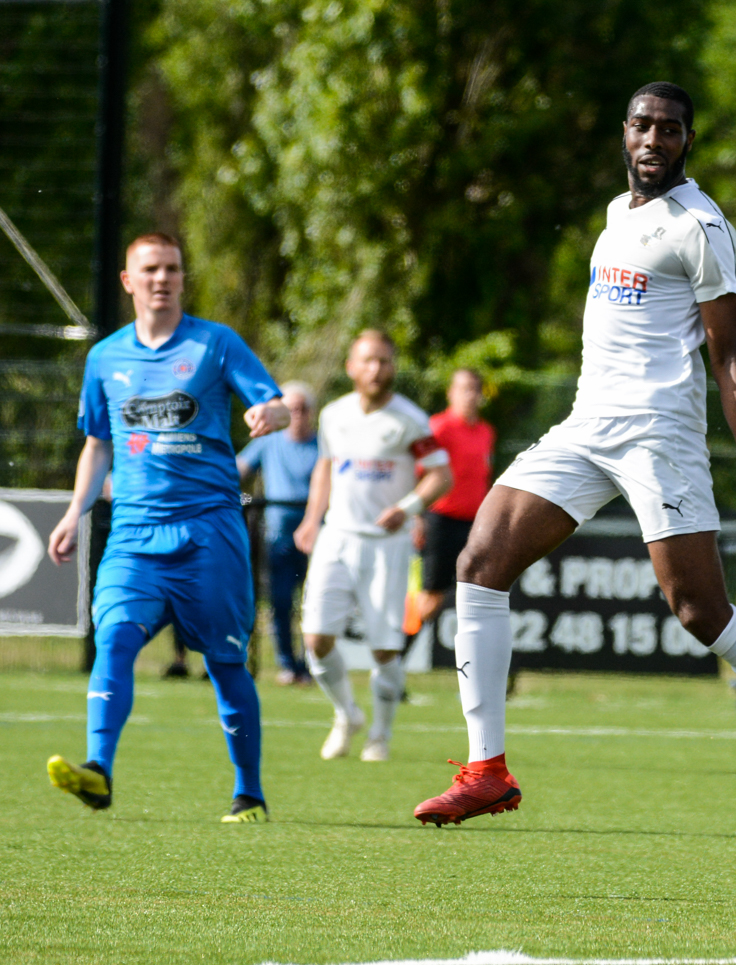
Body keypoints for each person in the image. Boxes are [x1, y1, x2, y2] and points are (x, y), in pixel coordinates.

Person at [410, 82, 736, 830]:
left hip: (661, 437)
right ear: (624, 134)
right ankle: (486, 768)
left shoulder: (703, 227)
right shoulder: (614, 215)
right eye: (642, 125)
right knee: (479, 563)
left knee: (700, 614)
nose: (654, 139)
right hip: (586, 426)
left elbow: (728, 361)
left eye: (670, 128)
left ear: (687, 140)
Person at [45, 232, 289, 823]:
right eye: (150, 269)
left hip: (209, 532)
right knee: (115, 640)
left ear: (183, 278)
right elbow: (97, 444)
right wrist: (75, 511)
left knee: (226, 663)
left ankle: (248, 793)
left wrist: (267, 413)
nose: (162, 278)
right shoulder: (104, 357)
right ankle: (98, 772)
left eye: (172, 268)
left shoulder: (216, 344)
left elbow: (277, 403)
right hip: (133, 535)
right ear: (128, 280)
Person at [294, 331, 453, 763]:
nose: (375, 369)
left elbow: (441, 475)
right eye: (367, 360)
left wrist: (408, 507)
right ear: (351, 366)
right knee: (316, 639)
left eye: (384, 361)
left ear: (393, 367)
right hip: (337, 537)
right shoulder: (333, 415)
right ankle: (347, 713)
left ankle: (379, 736)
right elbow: (324, 470)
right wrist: (312, 520)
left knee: (384, 648)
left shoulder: (411, 421)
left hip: (387, 545)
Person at [238, 380, 320, 686]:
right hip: (279, 537)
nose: (297, 414)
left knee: (314, 604)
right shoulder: (269, 442)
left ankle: (312, 664)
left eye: (302, 409)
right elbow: (238, 470)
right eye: (291, 409)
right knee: (281, 601)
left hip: (316, 537)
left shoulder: (323, 445)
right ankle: (289, 664)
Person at [411, 369, 495, 626]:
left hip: (474, 524)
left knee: (481, 592)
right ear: (451, 392)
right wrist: (416, 516)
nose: (469, 395)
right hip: (441, 520)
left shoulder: (486, 431)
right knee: (431, 595)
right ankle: (394, 656)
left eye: (473, 389)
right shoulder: (438, 427)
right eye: (463, 388)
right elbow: (418, 474)